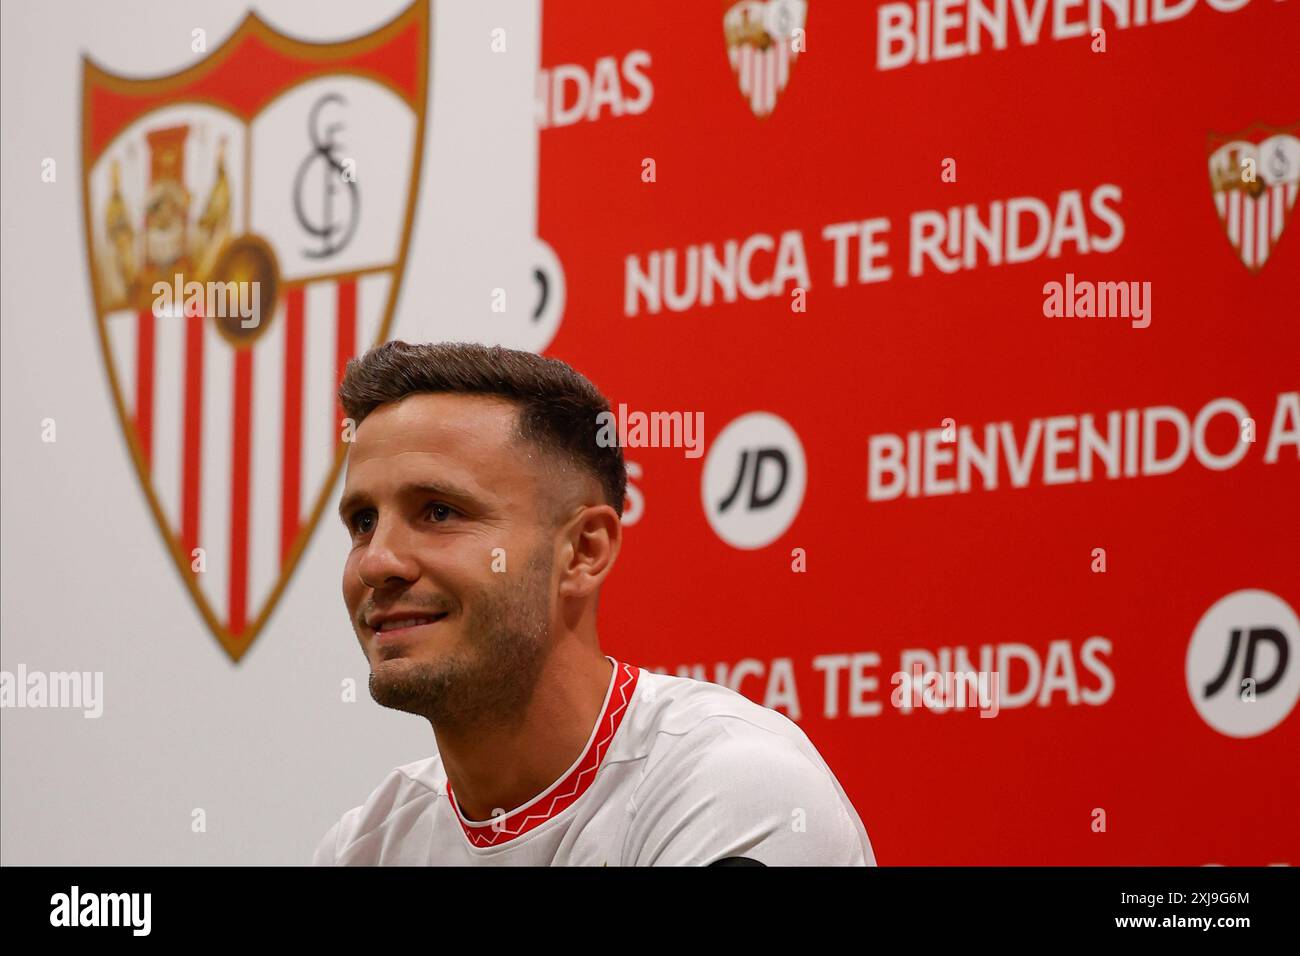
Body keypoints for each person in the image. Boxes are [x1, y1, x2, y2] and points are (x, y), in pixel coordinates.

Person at [312, 340, 876, 865]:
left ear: (583, 550)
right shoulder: (366, 846)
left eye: (439, 512)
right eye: (363, 522)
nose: (377, 562)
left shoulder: (734, 784)